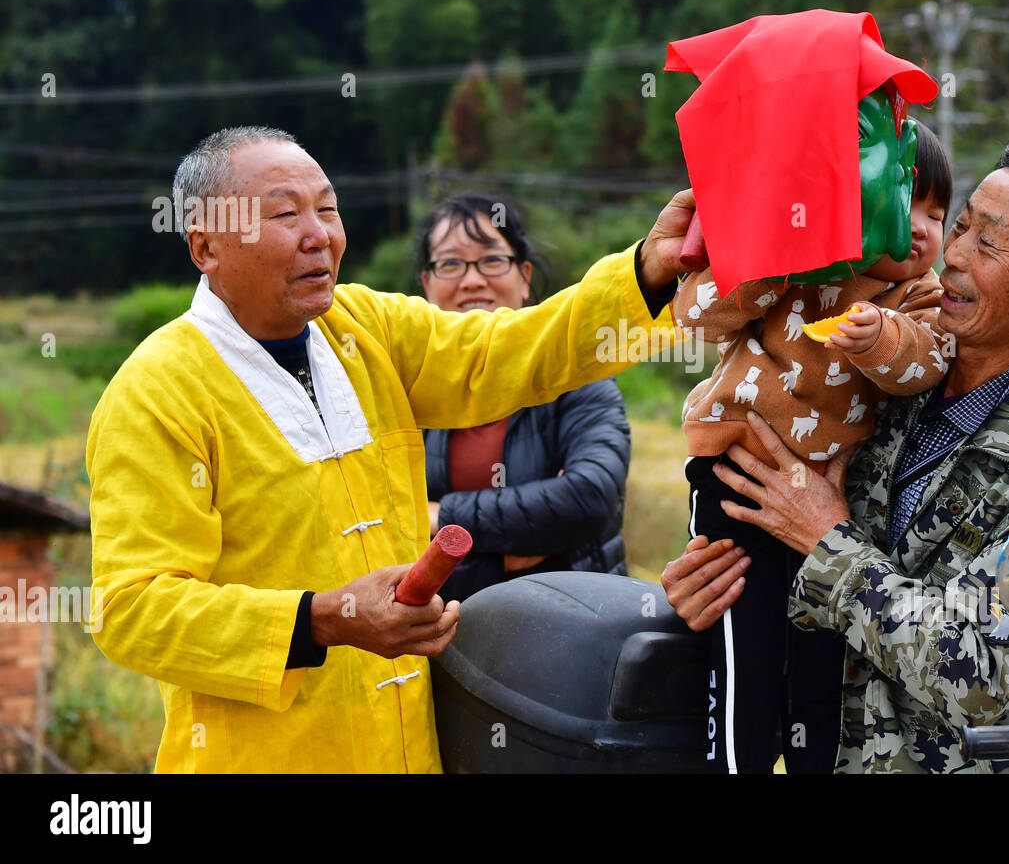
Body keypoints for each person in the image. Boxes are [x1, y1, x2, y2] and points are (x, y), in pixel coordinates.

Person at [87, 126, 689, 773]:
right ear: (205, 246)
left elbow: (506, 350)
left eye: (327, 208)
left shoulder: (365, 329)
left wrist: (645, 275)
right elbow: (132, 608)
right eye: (286, 214)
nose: (319, 234)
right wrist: (322, 619)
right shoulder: (157, 392)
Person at [662, 141, 1009, 773]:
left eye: (989, 243)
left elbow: (979, 674)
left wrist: (826, 543)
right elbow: (784, 520)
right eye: (962, 224)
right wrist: (717, 582)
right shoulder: (885, 375)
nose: (955, 255)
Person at [677, 122, 953, 774]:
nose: (921, 228)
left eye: (938, 213)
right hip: (737, 479)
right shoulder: (793, 262)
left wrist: (879, 337)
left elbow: (929, 358)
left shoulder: (917, 294)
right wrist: (778, 265)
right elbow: (697, 310)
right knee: (743, 644)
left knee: (819, 666)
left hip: (831, 503)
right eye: (901, 201)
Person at [417, 194, 631, 601]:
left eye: (492, 260)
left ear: (525, 276)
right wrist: (498, 559)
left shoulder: (578, 374)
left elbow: (589, 498)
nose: (473, 279)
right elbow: (377, 531)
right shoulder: (407, 390)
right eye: (450, 263)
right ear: (427, 285)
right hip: (439, 639)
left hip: (575, 628)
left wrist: (439, 517)